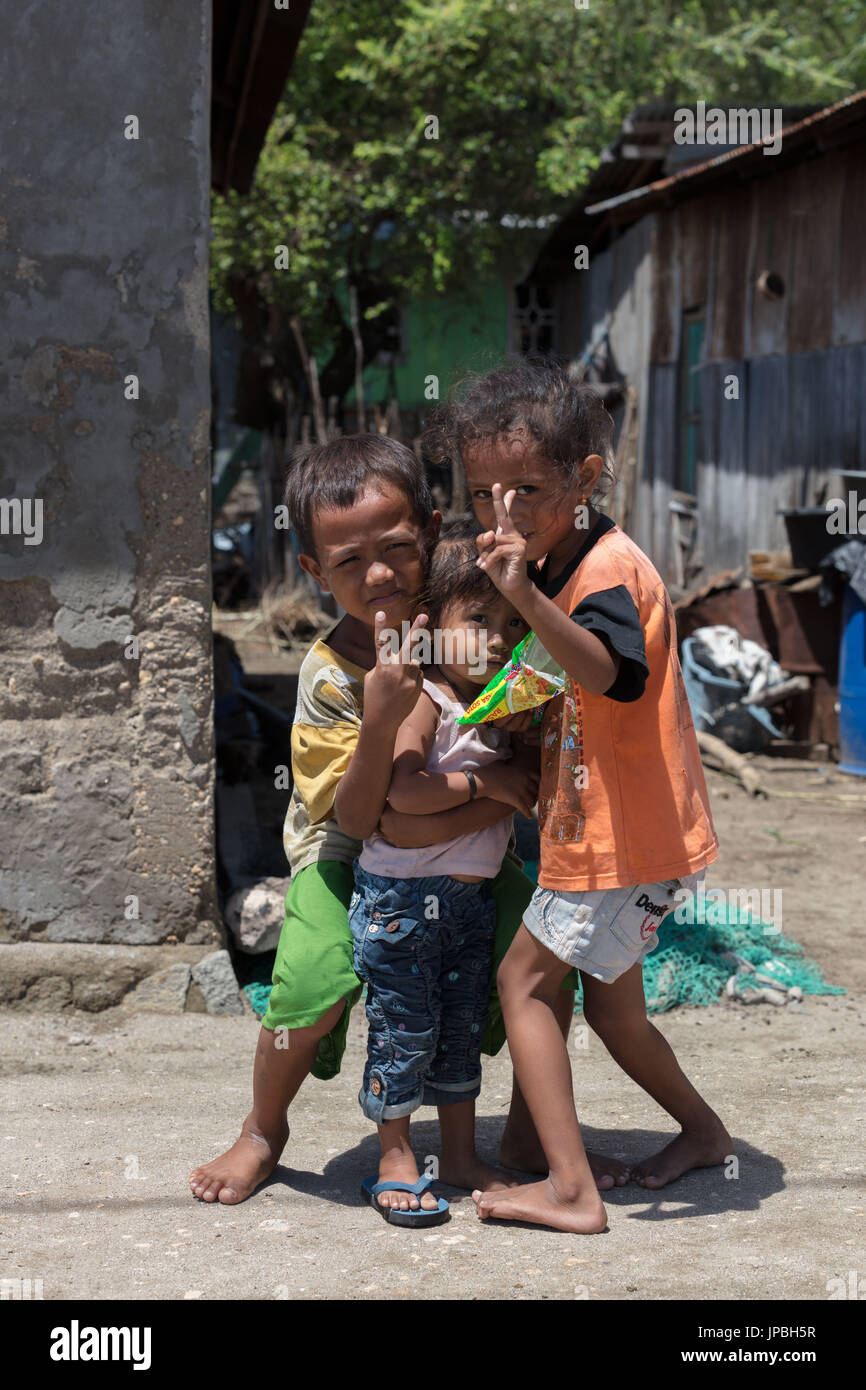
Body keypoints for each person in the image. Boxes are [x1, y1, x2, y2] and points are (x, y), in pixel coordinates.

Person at [188, 434, 628, 1207]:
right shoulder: (332, 676)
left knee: (545, 949)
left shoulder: (473, 629)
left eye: (396, 548)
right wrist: (388, 726)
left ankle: (528, 1131)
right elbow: (364, 819)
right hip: (345, 855)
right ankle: (263, 1129)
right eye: (349, 562)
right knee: (314, 976)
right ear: (314, 572)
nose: (380, 574)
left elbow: (526, 731)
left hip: (467, 854)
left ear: (428, 530)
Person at [425, 360, 731, 1233]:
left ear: (586, 480)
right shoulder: (571, 558)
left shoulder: (603, 571)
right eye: (484, 495)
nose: (503, 516)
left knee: (521, 982)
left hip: (610, 839)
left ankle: (568, 1190)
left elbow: (608, 675)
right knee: (615, 1012)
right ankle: (705, 1134)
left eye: (527, 489)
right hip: (629, 832)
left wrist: (522, 594)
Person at [350, 525, 539, 1222]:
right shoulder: (427, 698)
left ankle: (458, 1155)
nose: (498, 637)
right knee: (405, 1032)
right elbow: (404, 794)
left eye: (514, 622)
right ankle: (395, 1156)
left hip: (467, 903)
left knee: (458, 1030)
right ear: (433, 628)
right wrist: (490, 784)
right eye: (480, 619)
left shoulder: (503, 710)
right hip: (400, 901)